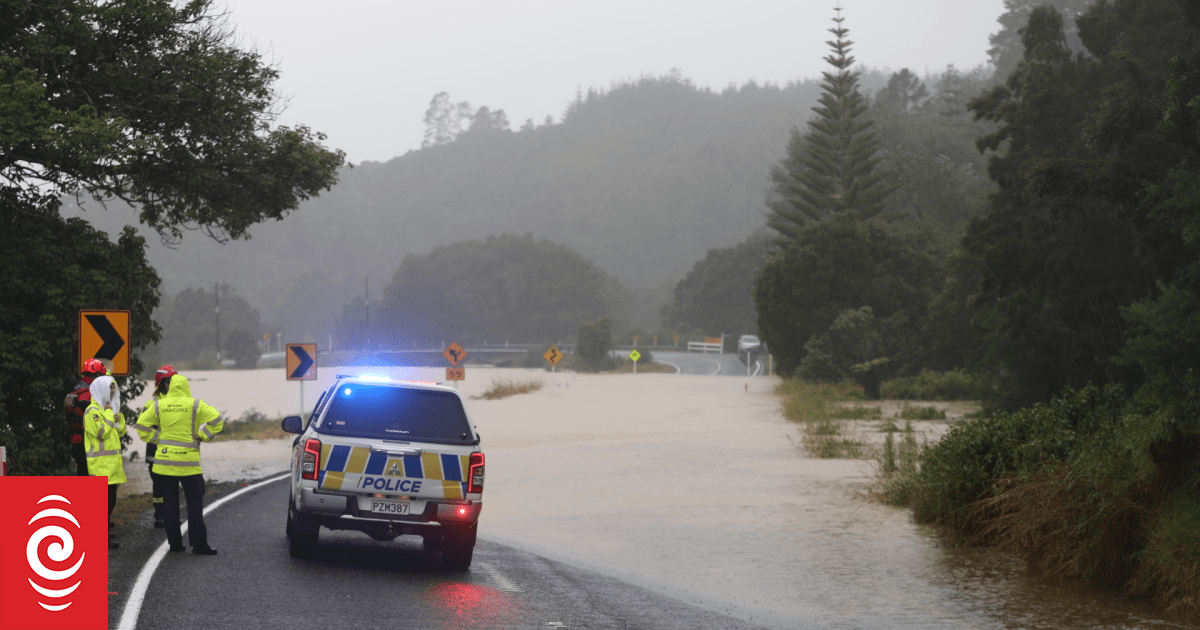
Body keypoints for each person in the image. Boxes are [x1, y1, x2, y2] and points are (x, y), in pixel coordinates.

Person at [135, 373, 224, 555]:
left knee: (170, 503)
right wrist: (203, 436)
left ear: (170, 387)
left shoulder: (159, 404)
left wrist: (157, 439)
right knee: (194, 503)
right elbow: (217, 421)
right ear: (186, 387)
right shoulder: (195, 404)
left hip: (164, 463)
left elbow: (141, 426)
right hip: (189, 463)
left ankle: (175, 545)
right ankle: (199, 545)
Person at [83, 374, 127, 550]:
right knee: (103, 506)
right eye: (110, 388)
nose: (112, 391)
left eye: (114, 388)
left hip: (113, 466)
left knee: (110, 503)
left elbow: (119, 432)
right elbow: (101, 433)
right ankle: (100, 538)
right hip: (100, 467)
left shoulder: (107, 410)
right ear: (101, 389)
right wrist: (109, 415)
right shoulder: (92, 411)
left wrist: (119, 419)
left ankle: (104, 534)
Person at [133, 365, 178, 528]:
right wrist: (160, 438)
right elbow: (143, 427)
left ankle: (171, 515)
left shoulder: (178, 402)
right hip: (156, 451)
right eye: (169, 382)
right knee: (159, 486)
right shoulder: (152, 404)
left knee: (172, 485)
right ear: (161, 384)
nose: (172, 385)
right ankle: (160, 516)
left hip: (173, 451)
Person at [65, 358, 108, 476]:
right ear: (97, 374)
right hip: (89, 444)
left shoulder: (73, 392)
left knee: (82, 477)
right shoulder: (89, 393)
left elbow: (69, 416)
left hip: (76, 441)